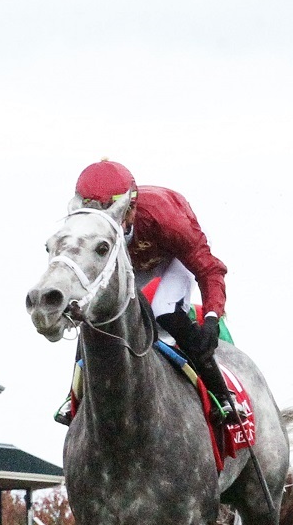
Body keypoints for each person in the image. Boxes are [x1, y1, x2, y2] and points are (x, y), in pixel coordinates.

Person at [56, 160, 233, 424]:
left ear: (131, 207)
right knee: (96, 311)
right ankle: (76, 395)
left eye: (120, 213)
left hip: (170, 257)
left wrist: (210, 318)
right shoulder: (87, 231)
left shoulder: (167, 219)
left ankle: (220, 395)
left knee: (164, 311)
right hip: (128, 262)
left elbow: (209, 270)